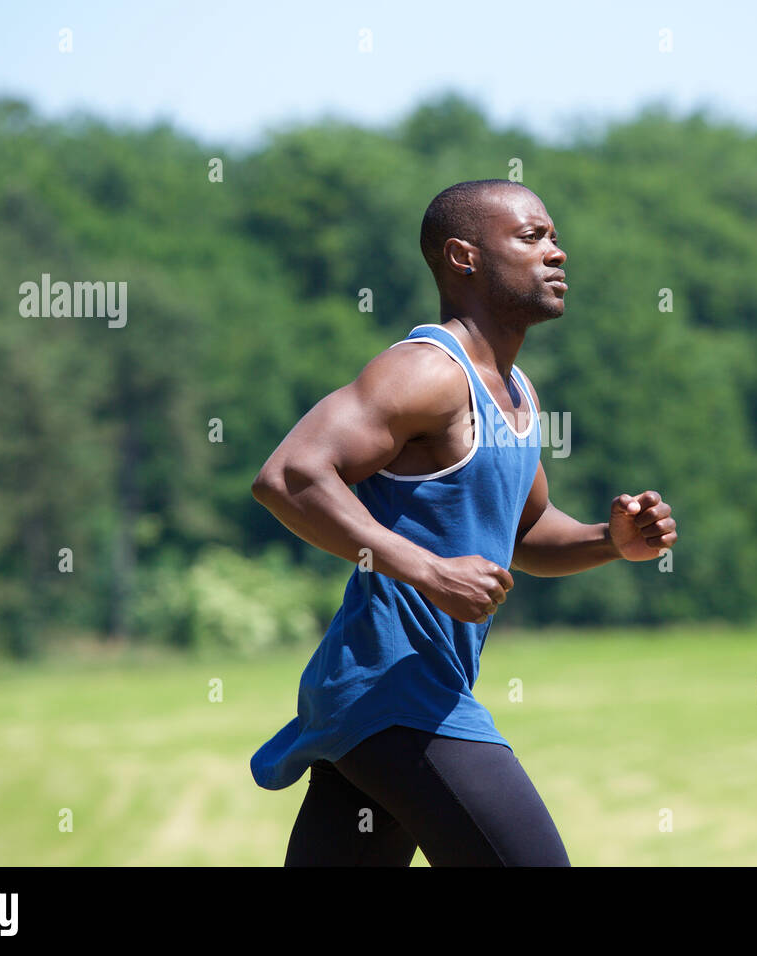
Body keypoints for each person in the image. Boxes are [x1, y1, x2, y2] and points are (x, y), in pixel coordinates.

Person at [248, 179, 678, 866]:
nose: (557, 254)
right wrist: (426, 568)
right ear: (464, 256)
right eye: (533, 237)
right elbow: (290, 475)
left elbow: (527, 535)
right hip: (395, 692)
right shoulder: (427, 373)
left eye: (556, 238)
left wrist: (609, 541)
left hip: (385, 699)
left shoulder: (516, 393)